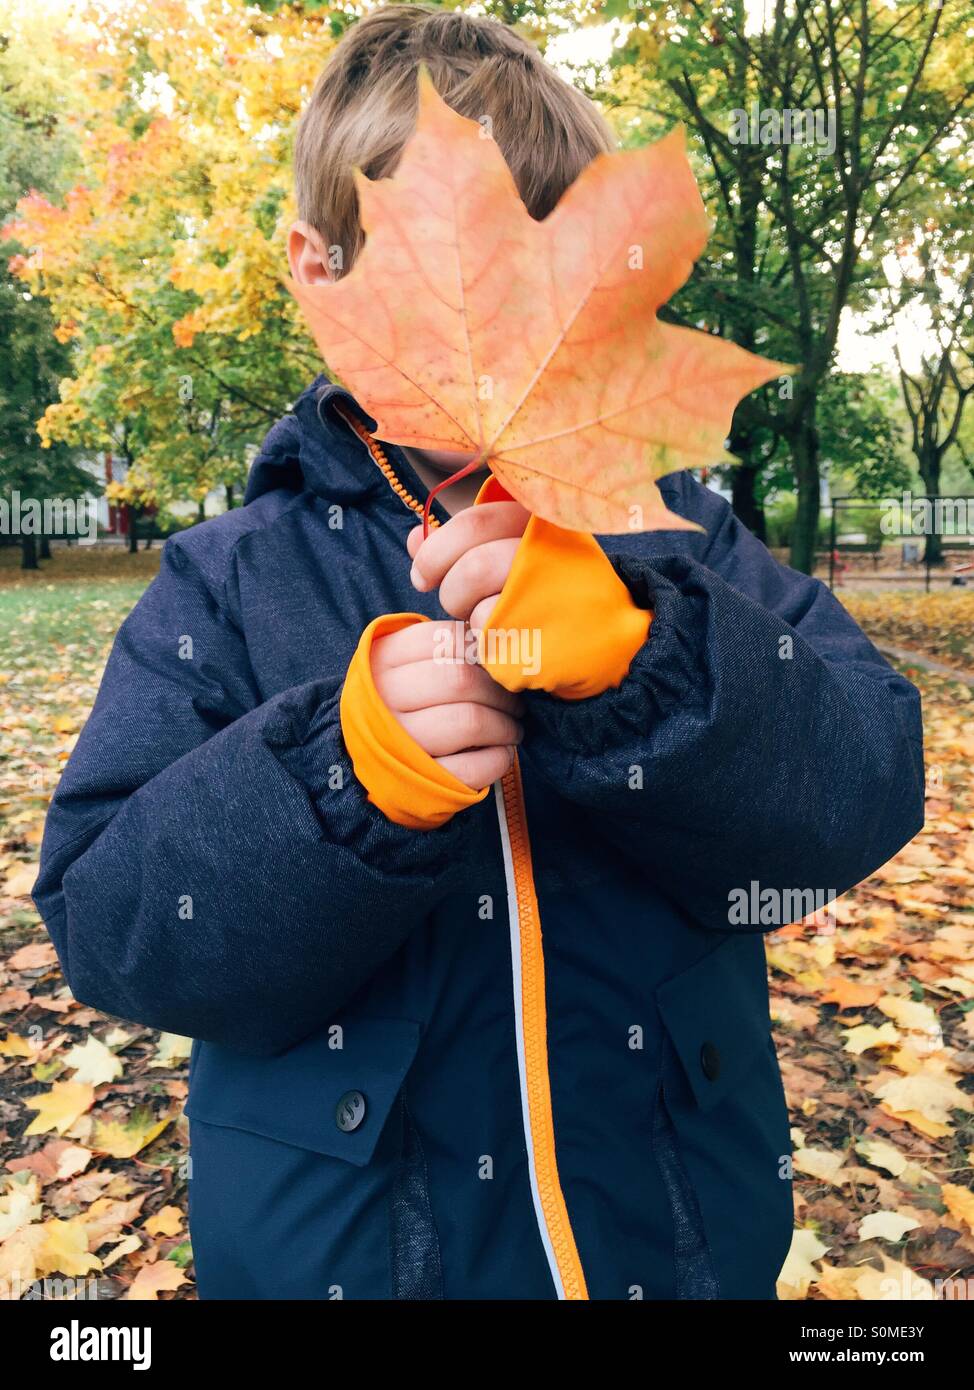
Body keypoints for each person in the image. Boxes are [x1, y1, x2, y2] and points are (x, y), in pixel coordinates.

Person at [35, 5, 924, 1300]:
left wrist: (651, 665)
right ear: (317, 265)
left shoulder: (672, 535)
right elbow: (114, 924)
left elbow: (864, 780)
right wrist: (343, 779)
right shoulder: (221, 583)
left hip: (671, 1239)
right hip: (345, 1254)